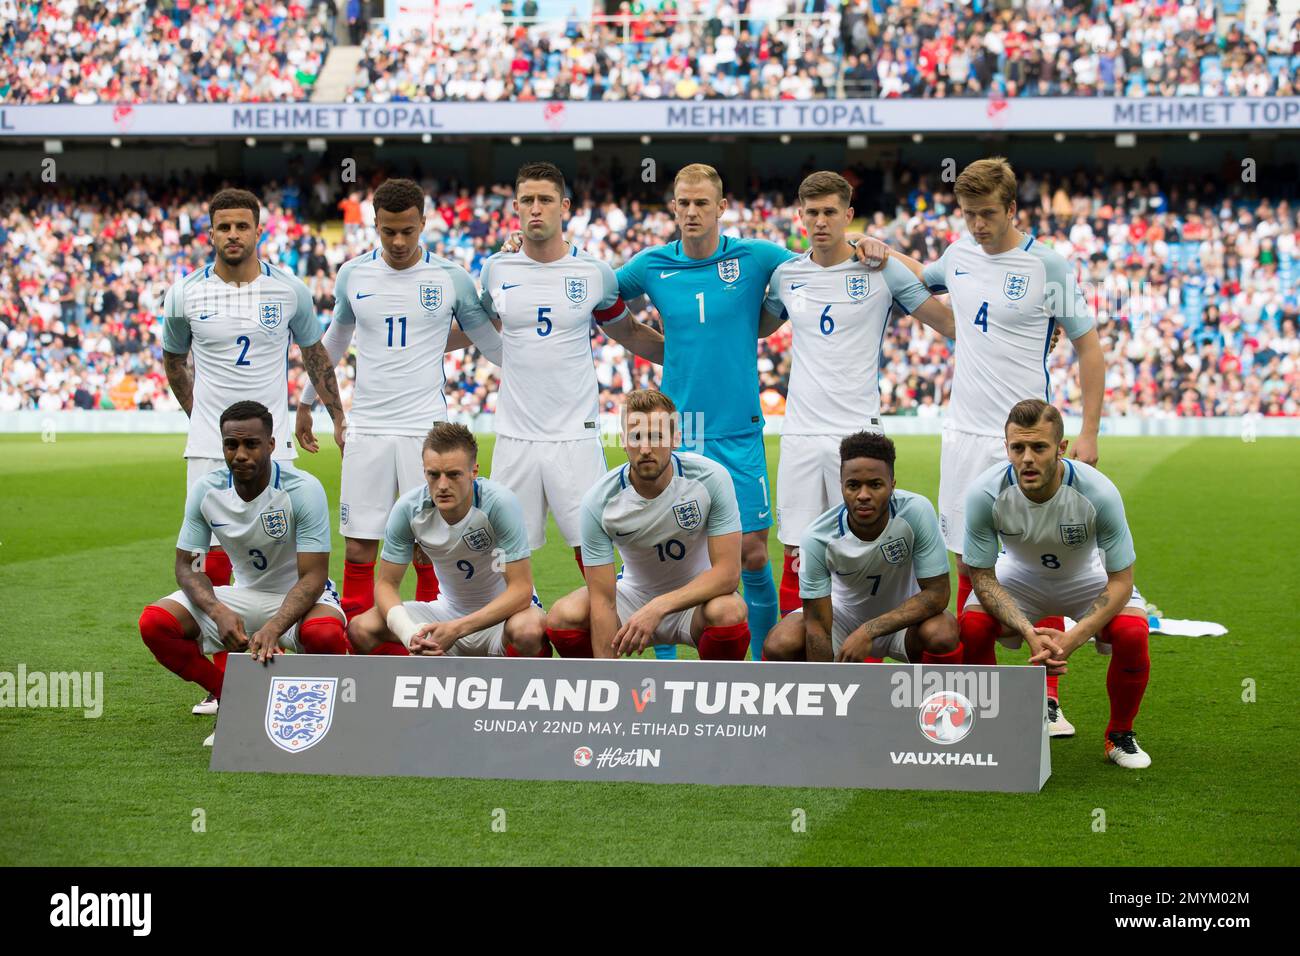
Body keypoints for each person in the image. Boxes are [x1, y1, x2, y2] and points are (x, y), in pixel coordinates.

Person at [863, 157, 1106, 734]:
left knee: (1035, 559)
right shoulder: (960, 252)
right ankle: (987, 697)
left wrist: (1090, 432)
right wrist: (883, 252)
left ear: (1013, 209)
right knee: (969, 566)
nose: (977, 226)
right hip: (964, 435)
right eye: (968, 214)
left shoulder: (1047, 264)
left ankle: (1046, 694)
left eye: (987, 215)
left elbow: (1089, 349)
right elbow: (927, 274)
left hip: (1026, 441)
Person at [162, 188, 345, 716]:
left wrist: (334, 413)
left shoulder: (288, 289)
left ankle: (285, 637)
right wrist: (200, 418)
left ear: (258, 230)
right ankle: (224, 679)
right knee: (206, 554)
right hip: (208, 445)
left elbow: (315, 356)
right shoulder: (185, 293)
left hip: (276, 446)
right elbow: (175, 360)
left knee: (289, 548)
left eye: (243, 226)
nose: (233, 235)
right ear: (211, 233)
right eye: (224, 228)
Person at [295, 178, 505, 623]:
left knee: (429, 545)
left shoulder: (450, 278)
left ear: (424, 222)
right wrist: (307, 401)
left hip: (424, 429)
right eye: (388, 230)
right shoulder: (354, 274)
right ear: (375, 224)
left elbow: (488, 339)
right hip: (367, 426)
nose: (398, 241)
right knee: (359, 543)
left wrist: (534, 370)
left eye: (408, 230)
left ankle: (432, 642)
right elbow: (333, 340)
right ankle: (361, 648)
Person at [760, 170, 954, 626]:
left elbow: (946, 320)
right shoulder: (788, 275)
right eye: (812, 212)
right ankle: (806, 661)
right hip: (803, 433)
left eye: (830, 212)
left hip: (859, 433)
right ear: (800, 216)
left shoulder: (880, 270)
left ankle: (864, 657)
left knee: (864, 544)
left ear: (848, 215)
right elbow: (755, 329)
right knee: (797, 549)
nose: (821, 221)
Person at [478, 162, 662, 587]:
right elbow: (475, 327)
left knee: (593, 553)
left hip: (574, 437)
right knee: (502, 556)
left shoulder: (594, 274)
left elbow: (629, 332)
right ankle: (515, 638)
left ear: (564, 206)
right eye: (527, 201)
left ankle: (605, 648)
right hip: (514, 436)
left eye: (545, 200)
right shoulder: (496, 269)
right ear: (516, 207)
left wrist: (683, 359)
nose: (535, 209)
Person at [137, 401, 347, 747]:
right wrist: (218, 611)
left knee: (323, 635)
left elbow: (313, 577)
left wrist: (274, 628)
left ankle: (322, 711)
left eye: (251, 444)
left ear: (271, 446)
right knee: (155, 623)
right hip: (245, 593)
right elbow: (186, 567)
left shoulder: (302, 489)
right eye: (231, 445)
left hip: (302, 596)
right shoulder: (207, 490)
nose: (240, 454)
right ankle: (232, 696)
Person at [961, 400, 1152, 769]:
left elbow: (1121, 581)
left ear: (1061, 449)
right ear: (1007, 449)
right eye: (1018, 448)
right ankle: (987, 730)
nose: (1027, 458)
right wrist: (1028, 631)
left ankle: (1119, 735)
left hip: (1085, 576)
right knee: (973, 626)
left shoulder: (1098, 492)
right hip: (1019, 577)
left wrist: (1073, 637)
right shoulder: (984, 493)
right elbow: (981, 576)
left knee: (1132, 633)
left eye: (1039, 447)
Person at [545, 388, 750, 660]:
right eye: (636, 436)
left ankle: (714, 695)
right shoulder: (599, 501)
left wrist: (658, 607)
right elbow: (603, 601)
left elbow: (727, 574)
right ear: (623, 440)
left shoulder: (711, 478)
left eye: (655, 436)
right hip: (633, 598)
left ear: (675, 438)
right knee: (563, 616)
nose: (645, 448)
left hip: (697, 599)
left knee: (730, 611)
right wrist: (607, 682)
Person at [347, 423, 547, 657]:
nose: (442, 485)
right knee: (362, 628)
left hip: (502, 618)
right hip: (447, 613)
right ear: (425, 472)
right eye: (433, 474)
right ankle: (414, 682)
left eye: (453, 475)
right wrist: (408, 632)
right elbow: (386, 585)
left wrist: (458, 629)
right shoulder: (409, 510)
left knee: (529, 630)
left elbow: (521, 590)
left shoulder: (499, 504)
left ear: (474, 472)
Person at [764, 432, 959, 664]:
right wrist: (829, 690)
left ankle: (934, 699)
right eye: (853, 485)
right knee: (780, 643)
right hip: (842, 619)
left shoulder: (916, 511)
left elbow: (938, 594)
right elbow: (817, 626)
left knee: (943, 632)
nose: (863, 495)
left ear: (892, 485)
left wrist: (869, 630)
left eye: (875, 485)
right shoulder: (817, 537)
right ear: (842, 486)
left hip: (904, 621)